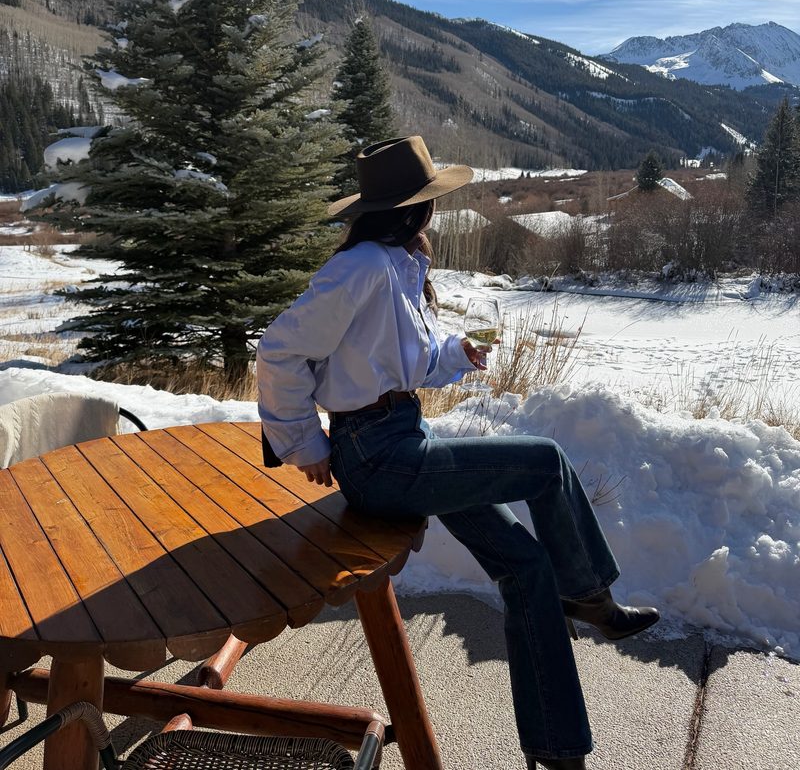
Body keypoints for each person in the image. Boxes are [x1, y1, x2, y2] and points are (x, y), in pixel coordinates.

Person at [257, 136, 659, 770]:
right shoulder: (361, 269)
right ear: (413, 210)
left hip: (399, 438)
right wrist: (303, 442)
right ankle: (589, 595)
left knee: (526, 565)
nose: (434, 214)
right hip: (377, 455)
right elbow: (279, 352)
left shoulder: (395, 266)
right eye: (430, 203)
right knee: (547, 460)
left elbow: (396, 364)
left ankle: (558, 749)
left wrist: (454, 355)